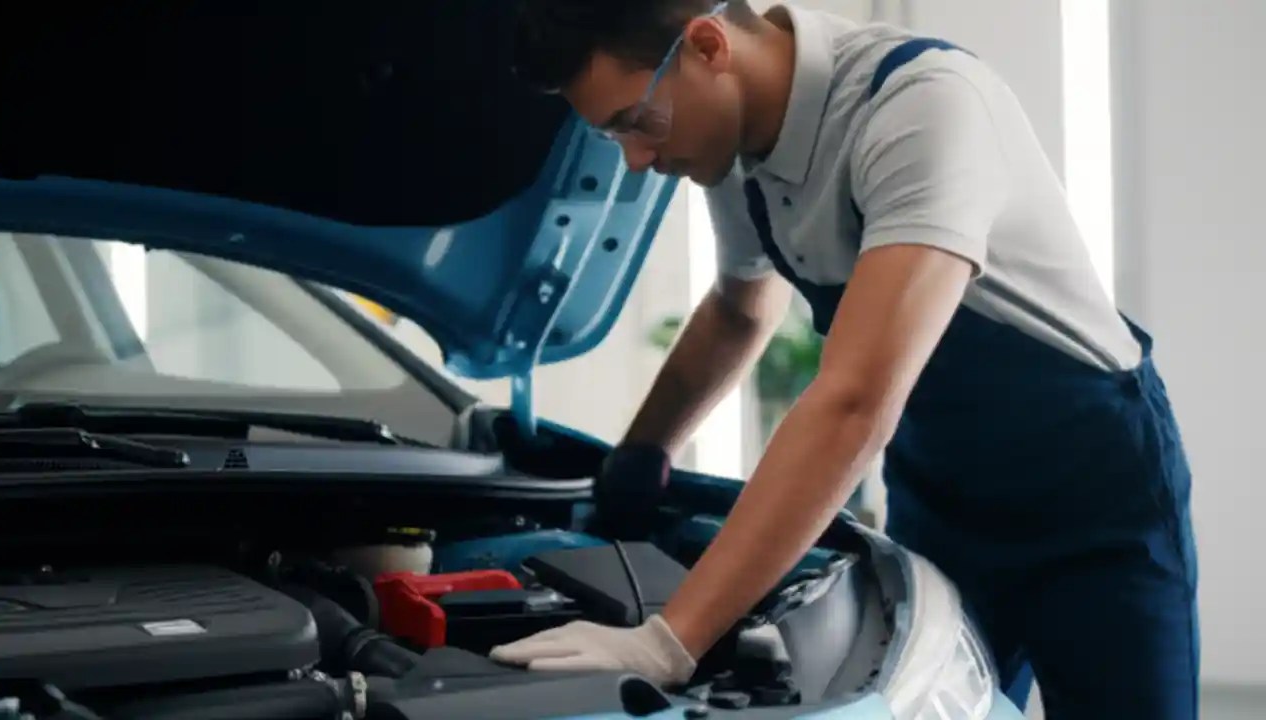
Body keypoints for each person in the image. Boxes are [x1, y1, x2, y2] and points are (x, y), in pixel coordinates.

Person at [490, 2, 1200, 718]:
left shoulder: (920, 108)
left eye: (636, 122)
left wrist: (670, 641)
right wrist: (640, 456)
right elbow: (740, 312)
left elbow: (856, 402)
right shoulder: (739, 150)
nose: (637, 161)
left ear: (707, 47)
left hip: (1092, 492)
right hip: (943, 494)